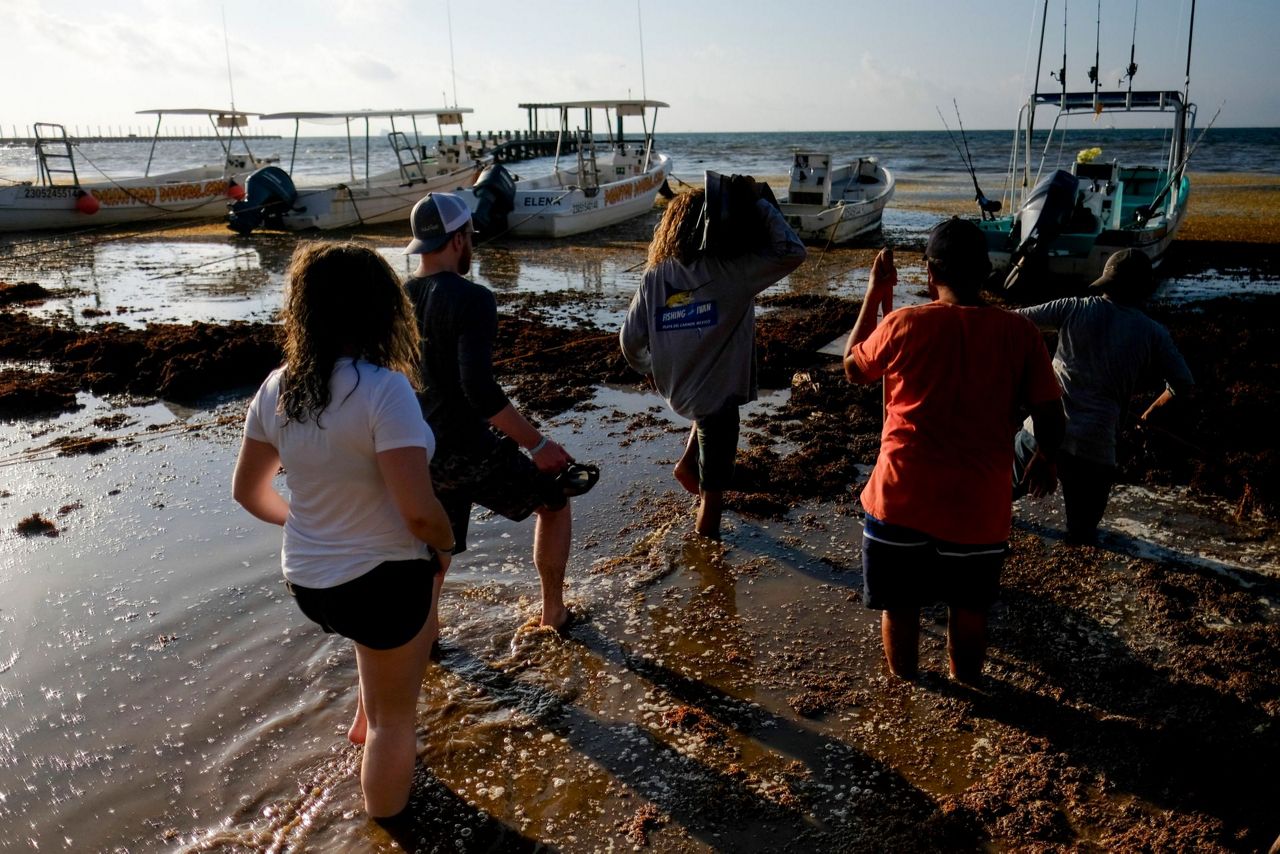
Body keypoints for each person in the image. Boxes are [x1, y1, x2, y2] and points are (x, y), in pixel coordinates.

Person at [232, 242, 456, 822]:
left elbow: (249, 493)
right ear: (381, 309)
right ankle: (387, 826)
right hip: (380, 581)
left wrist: (308, 526)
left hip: (309, 581)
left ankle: (360, 727)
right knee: (397, 722)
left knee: (374, 651)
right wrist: (445, 545)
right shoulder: (385, 389)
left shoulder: (278, 386)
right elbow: (418, 511)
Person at [843, 218, 1065, 683]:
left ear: (929, 273)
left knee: (901, 607)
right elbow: (1049, 412)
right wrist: (1047, 458)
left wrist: (875, 289)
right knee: (969, 610)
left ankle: (910, 687)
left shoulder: (904, 323)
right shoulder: (1019, 332)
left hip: (900, 497)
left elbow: (852, 366)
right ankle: (968, 686)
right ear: (985, 271)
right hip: (979, 505)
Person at [403, 192, 577, 633]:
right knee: (554, 502)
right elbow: (478, 389)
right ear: (459, 238)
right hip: (466, 447)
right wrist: (538, 445)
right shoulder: (473, 298)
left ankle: (428, 637)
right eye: (470, 236)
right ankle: (553, 613)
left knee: (437, 546)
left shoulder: (399, 298)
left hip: (414, 450)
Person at [619, 178, 806, 539]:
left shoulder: (655, 275)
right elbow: (791, 251)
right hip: (714, 399)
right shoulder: (732, 271)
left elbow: (629, 342)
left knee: (706, 409)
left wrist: (650, 370)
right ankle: (706, 555)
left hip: (677, 388)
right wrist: (759, 204)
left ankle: (687, 464)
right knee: (714, 493)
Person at [1012, 248, 1194, 544]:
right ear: (1144, 288)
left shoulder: (1074, 307)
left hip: (1042, 434)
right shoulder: (1153, 333)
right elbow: (1183, 383)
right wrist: (1148, 416)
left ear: (1106, 282)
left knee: (995, 495)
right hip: (1094, 448)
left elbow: (1014, 324)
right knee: (1083, 534)